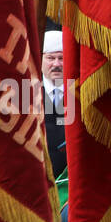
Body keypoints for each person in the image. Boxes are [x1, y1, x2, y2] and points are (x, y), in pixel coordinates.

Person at [41, 29, 69, 177]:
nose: (56, 64)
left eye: (61, 58)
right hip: (40, 177)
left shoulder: (79, 90)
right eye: (50, 58)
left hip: (72, 180)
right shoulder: (28, 90)